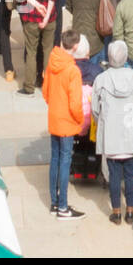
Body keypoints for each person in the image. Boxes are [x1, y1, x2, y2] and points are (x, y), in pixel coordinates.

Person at [92, 38, 133, 225]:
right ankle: (130, 211)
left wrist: (102, 121)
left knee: (113, 177)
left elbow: (95, 109)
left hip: (112, 138)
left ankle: (116, 212)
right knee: (130, 175)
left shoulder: (101, 80)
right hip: (132, 135)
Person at [42, 28, 86, 219]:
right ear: (75, 47)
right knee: (65, 162)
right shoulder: (72, 71)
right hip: (67, 122)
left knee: (55, 159)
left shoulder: (53, 62)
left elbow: (45, 91)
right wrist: (79, 119)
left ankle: (54, 202)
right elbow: (75, 104)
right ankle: (63, 207)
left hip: (54, 117)